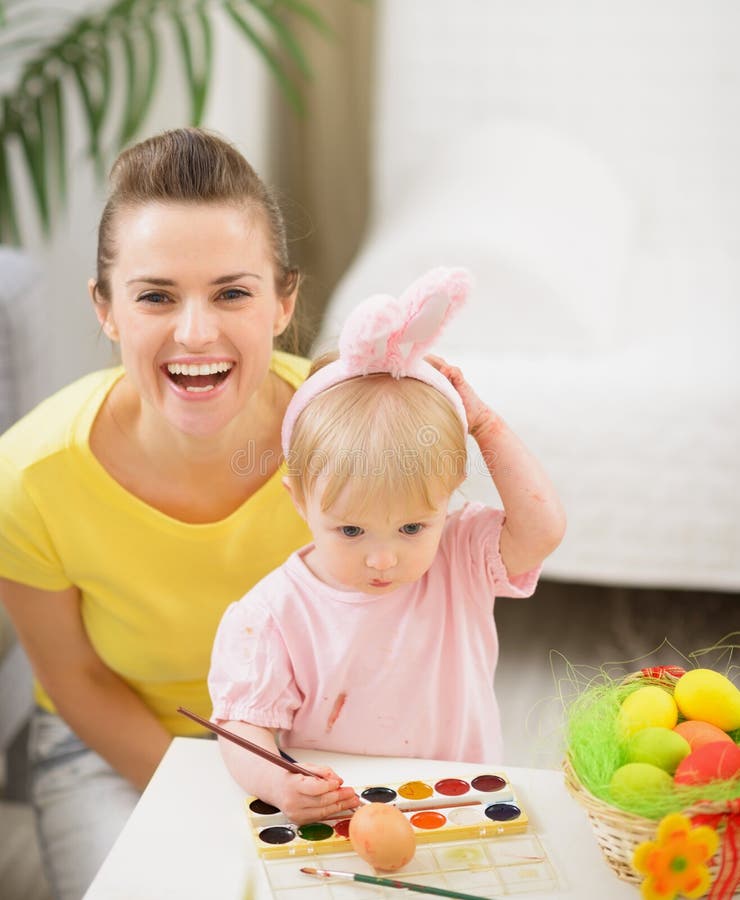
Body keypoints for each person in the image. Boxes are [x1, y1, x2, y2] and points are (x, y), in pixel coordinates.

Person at [0, 127, 315, 900]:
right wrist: (232, 800)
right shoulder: (28, 477)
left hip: (319, 742)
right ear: (106, 310)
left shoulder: (349, 436)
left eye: (232, 292)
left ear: (283, 302)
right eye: (156, 296)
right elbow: (73, 678)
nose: (196, 332)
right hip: (115, 753)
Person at [208, 267, 567, 824]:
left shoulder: (460, 554)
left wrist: (486, 425)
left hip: (460, 799)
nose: (383, 558)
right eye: (351, 531)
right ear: (299, 501)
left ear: (447, 503)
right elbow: (239, 723)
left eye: (412, 528)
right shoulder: (271, 616)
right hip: (342, 814)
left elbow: (543, 528)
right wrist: (279, 783)